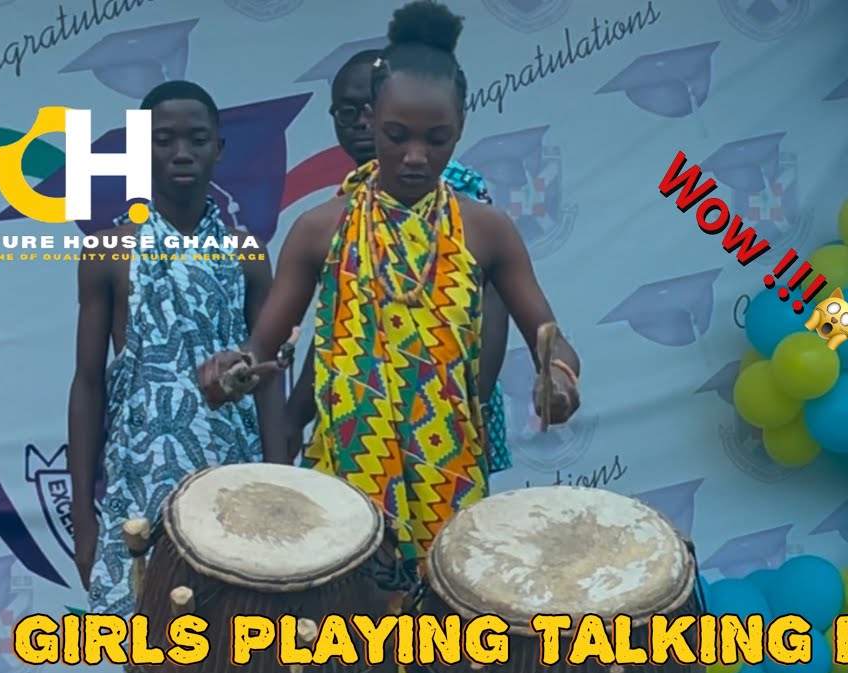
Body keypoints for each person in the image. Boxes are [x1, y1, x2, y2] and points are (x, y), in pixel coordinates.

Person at [197, 0, 580, 563]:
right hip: (345, 478)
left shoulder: (486, 230)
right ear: (369, 118)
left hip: (449, 474)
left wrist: (561, 378)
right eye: (397, 134)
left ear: (461, 129)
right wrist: (232, 369)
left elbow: (549, 336)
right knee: (351, 641)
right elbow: (263, 350)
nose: (416, 157)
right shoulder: (318, 230)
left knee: (442, 642)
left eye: (437, 138)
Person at [68, 80, 279, 615]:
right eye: (163, 140)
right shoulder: (110, 250)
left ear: (219, 148)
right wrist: (84, 516)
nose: (181, 153)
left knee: (234, 658)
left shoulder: (246, 253)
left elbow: (267, 379)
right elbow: (89, 383)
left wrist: (282, 487)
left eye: (197, 139)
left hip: (234, 487)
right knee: (144, 657)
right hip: (138, 489)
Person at [284, 47, 514, 481]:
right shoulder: (351, 200)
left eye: (365, 109)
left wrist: (468, 406)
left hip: (446, 403)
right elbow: (340, 323)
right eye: (344, 112)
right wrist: (299, 411)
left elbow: (490, 303)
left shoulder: (453, 185)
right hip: (369, 412)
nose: (356, 124)